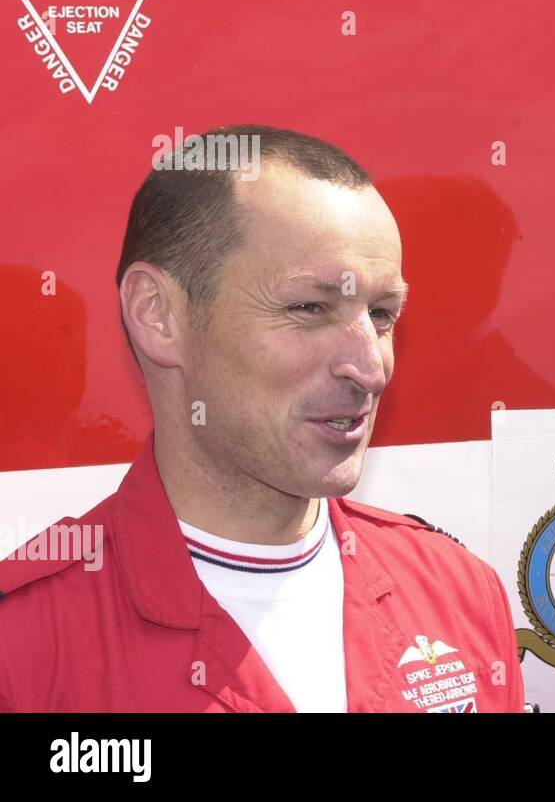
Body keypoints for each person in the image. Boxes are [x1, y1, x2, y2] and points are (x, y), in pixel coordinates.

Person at [0, 125, 524, 713]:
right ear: (159, 315)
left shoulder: (459, 593)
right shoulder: (24, 648)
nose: (369, 366)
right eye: (309, 308)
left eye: (381, 313)